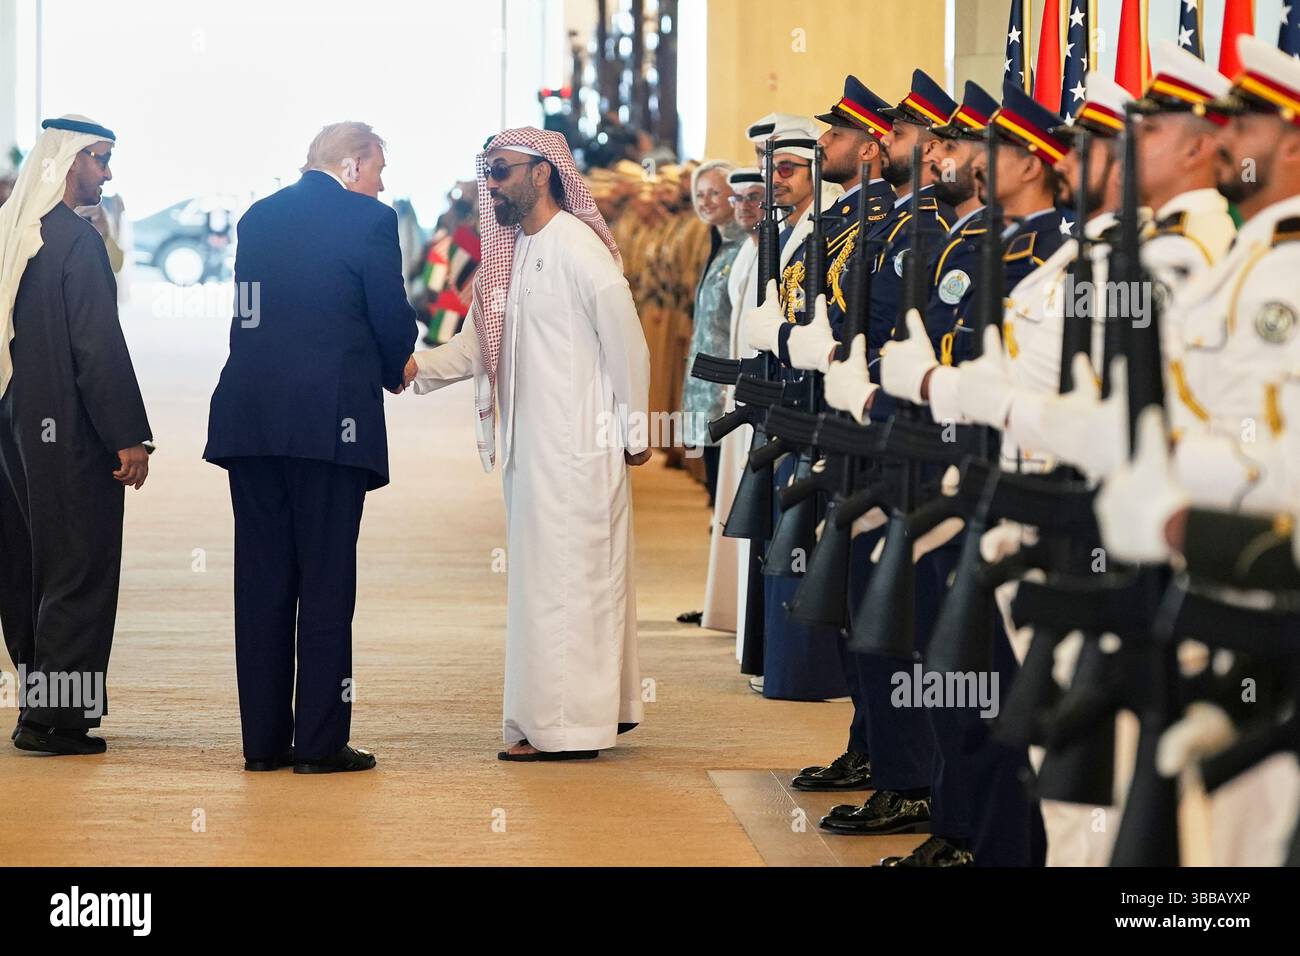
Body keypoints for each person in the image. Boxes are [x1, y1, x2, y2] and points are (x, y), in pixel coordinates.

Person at [407, 128, 651, 761]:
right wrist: (407, 368)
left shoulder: (578, 247)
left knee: (569, 586)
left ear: (543, 173)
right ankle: (584, 712)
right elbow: (474, 349)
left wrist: (634, 428)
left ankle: (567, 729)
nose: (492, 185)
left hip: (577, 450)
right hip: (530, 452)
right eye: (487, 173)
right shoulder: (509, 255)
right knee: (547, 586)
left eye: (502, 172)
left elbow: (627, 342)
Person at [203, 121, 417, 774]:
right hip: (331, 424)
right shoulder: (369, 221)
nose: (382, 183)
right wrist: (397, 364)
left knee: (262, 582)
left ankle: (264, 743)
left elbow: (247, 314)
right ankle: (320, 745)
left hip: (252, 418)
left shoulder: (258, 218)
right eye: (379, 169)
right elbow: (389, 314)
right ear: (352, 166)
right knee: (325, 584)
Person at [0, 115, 152, 756]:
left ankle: (36, 703)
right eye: (100, 159)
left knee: (29, 566)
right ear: (68, 162)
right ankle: (52, 723)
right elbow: (98, 350)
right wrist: (128, 436)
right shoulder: (75, 243)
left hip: (15, 430)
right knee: (78, 568)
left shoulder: (17, 237)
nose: (108, 173)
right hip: (70, 435)